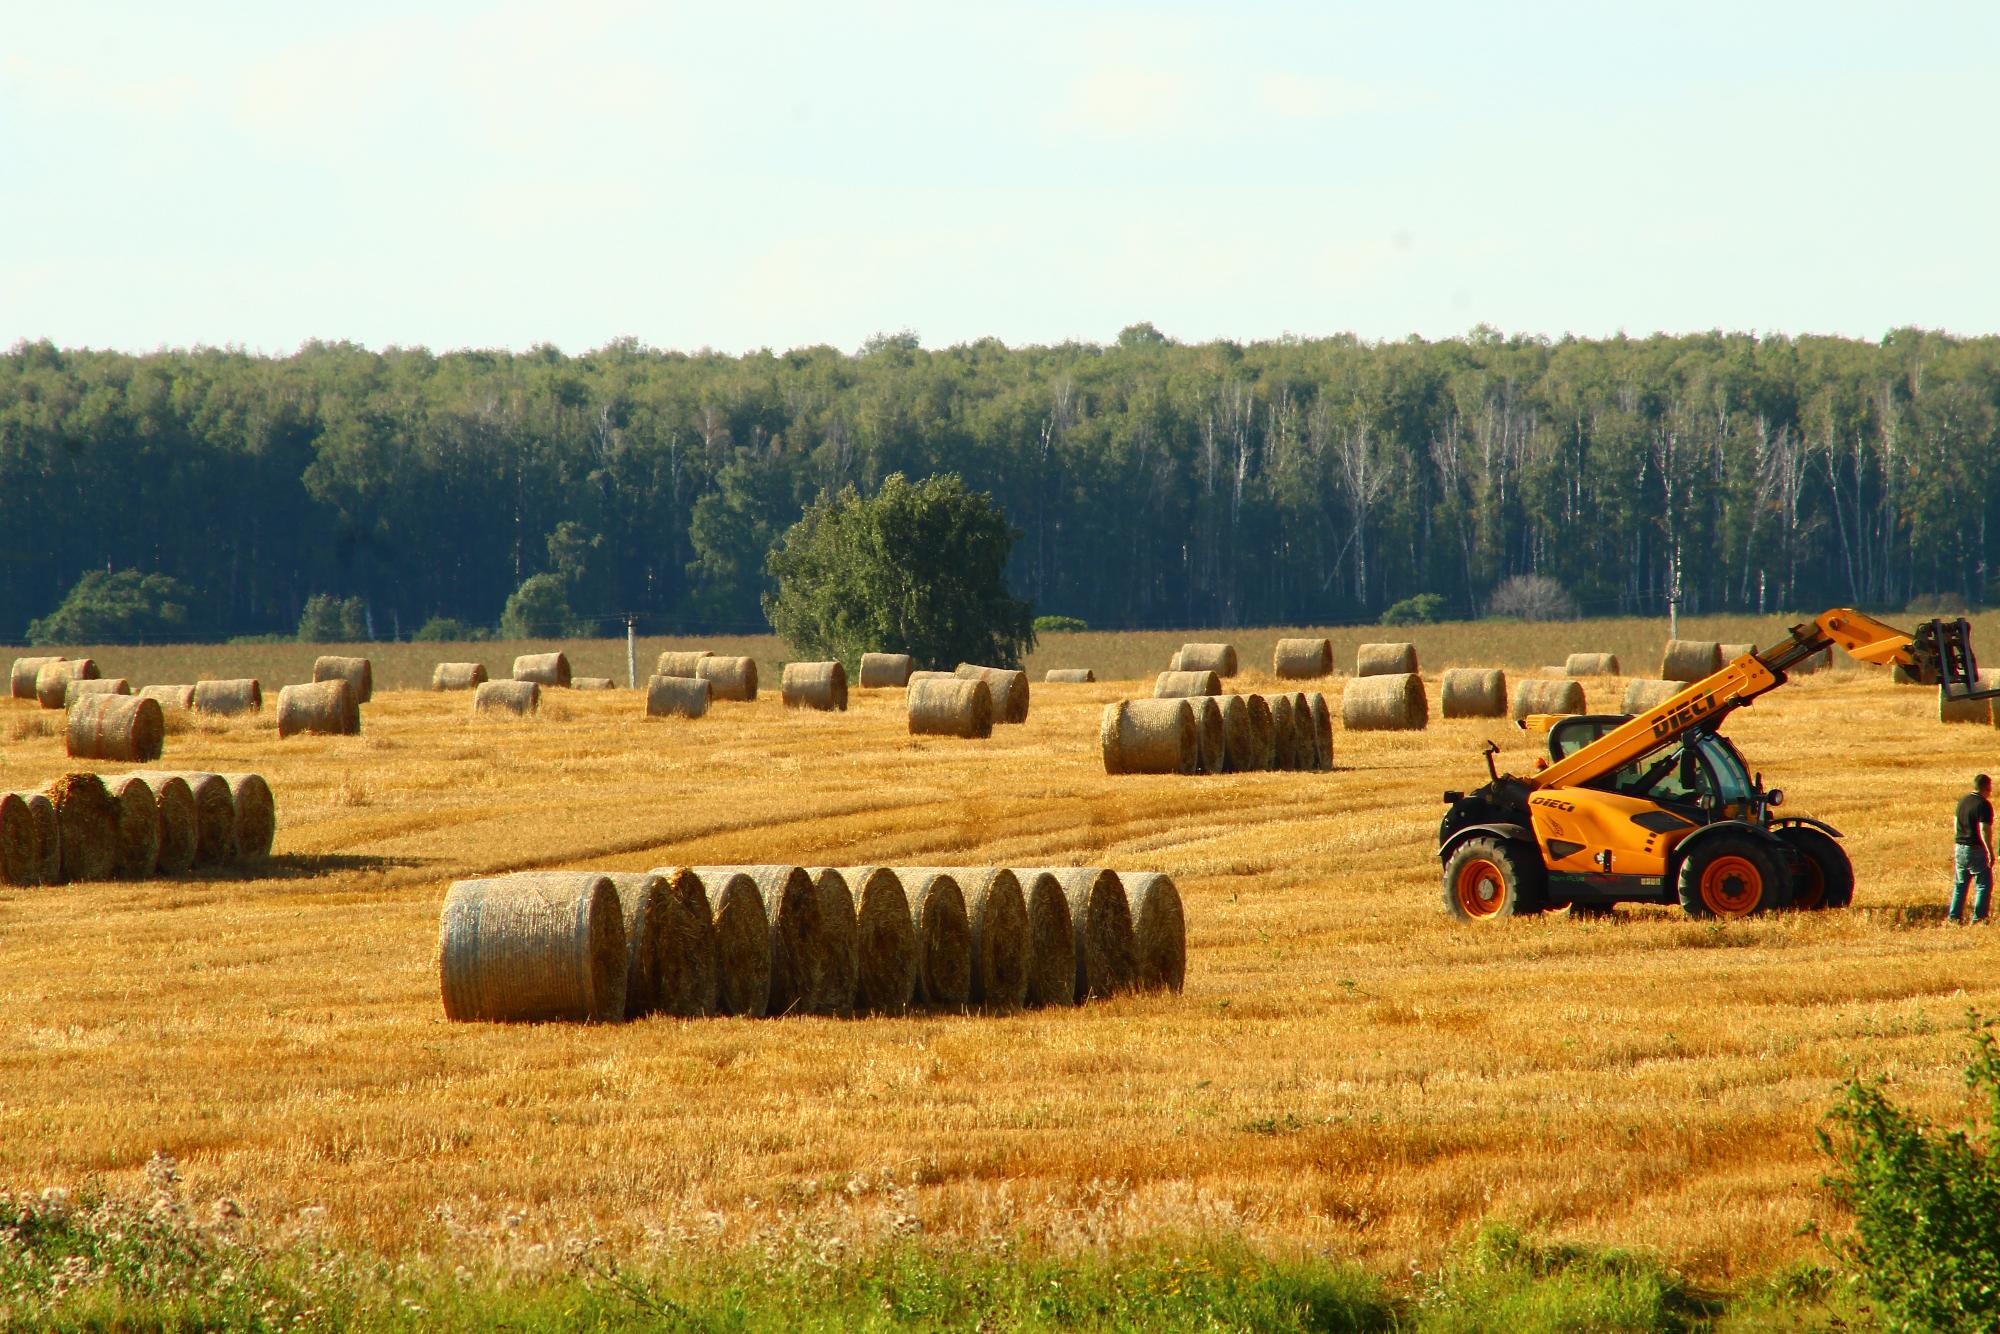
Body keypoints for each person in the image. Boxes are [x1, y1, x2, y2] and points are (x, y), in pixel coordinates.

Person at [1949, 774, 1994, 924]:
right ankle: (1979, 919)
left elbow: (1955, 824)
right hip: (1975, 848)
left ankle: (1954, 917)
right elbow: (1983, 829)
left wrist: (1960, 840)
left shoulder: (1963, 801)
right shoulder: (1983, 804)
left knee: (1960, 885)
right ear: (1987, 787)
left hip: (1959, 847)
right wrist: (1989, 850)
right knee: (1983, 884)